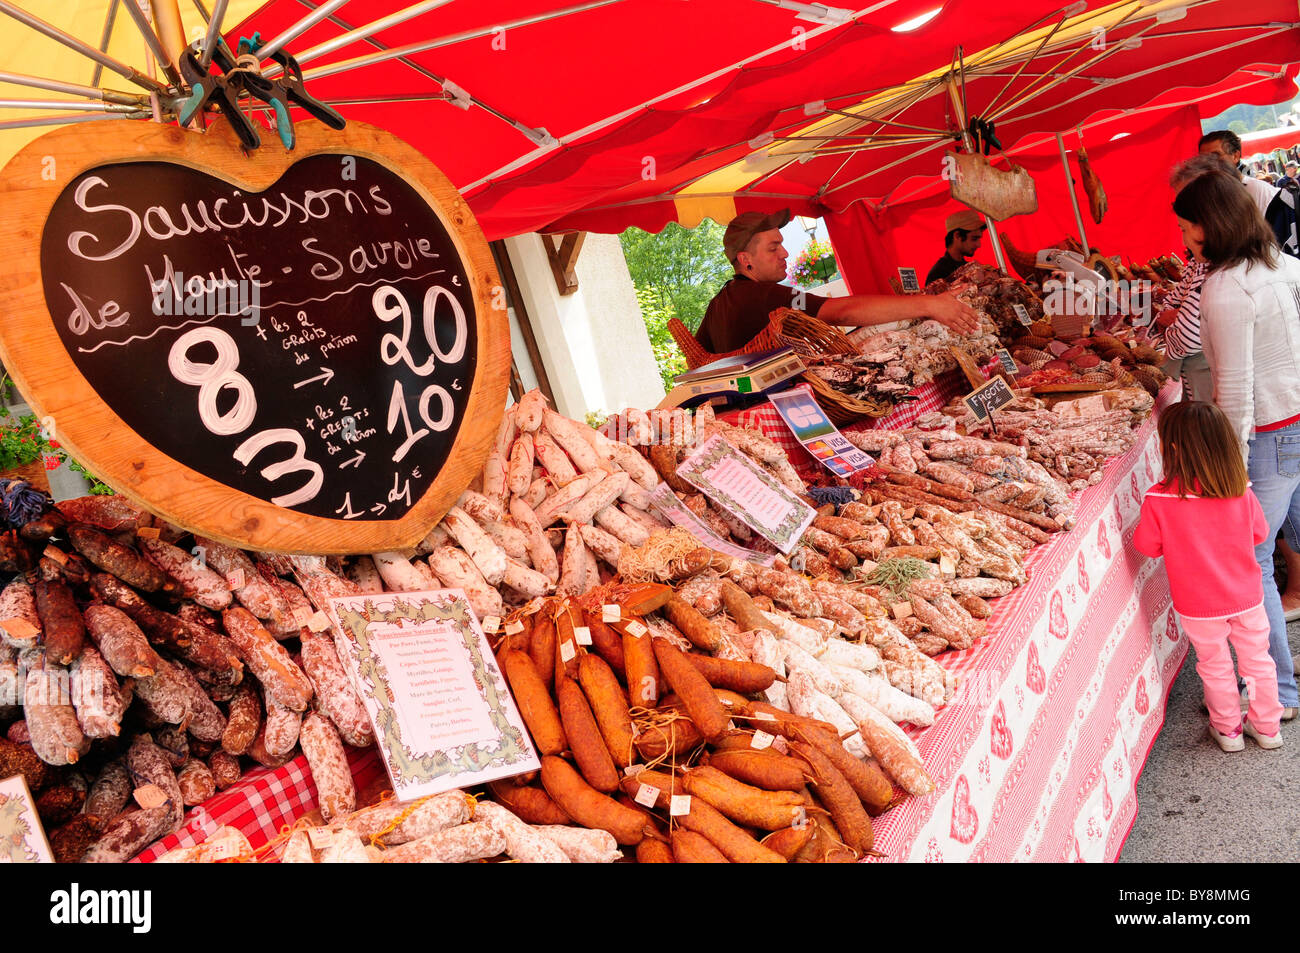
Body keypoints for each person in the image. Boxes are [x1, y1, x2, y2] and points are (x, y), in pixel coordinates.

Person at [1172, 167, 1300, 721]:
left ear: (1210, 226)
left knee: (1252, 559)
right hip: (1295, 418)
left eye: (1187, 228)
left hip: (1270, 433)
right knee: (1291, 531)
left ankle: (1280, 691)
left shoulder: (1224, 288)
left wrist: (1231, 469)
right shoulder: (1280, 264)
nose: (1183, 239)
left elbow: (1237, 388)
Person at [1133, 402, 1283, 750]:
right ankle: (1267, 727)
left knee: (1214, 664)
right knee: (1258, 661)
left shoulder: (1159, 498)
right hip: (1246, 595)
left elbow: (1147, 546)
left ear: (1172, 448)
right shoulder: (1240, 490)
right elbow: (1260, 534)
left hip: (1197, 604)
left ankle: (1228, 729)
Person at [695, 209, 980, 354]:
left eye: (782, 244)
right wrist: (928, 304)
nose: (785, 253)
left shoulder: (718, 303)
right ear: (746, 260)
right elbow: (842, 312)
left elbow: (697, 355)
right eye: (773, 248)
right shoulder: (764, 295)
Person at [1199, 130, 1278, 214]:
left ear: (1235, 156)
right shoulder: (1207, 196)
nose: (1209, 161)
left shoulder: (1258, 190)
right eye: (1204, 157)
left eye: (1216, 155)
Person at [924, 210, 987, 285]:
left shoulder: (969, 267)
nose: (979, 245)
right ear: (957, 235)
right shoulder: (938, 274)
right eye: (974, 239)